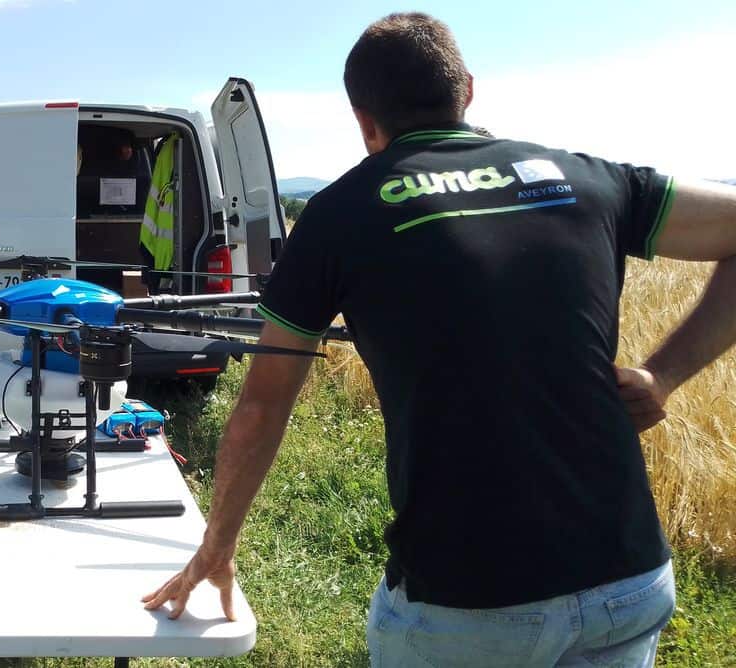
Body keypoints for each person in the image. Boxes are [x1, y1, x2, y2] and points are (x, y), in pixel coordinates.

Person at [142, 12, 736, 667]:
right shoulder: (590, 177)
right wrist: (665, 375)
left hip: (467, 603)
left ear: (363, 120)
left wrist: (217, 547)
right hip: (627, 580)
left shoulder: (342, 212)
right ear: (468, 92)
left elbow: (261, 407)